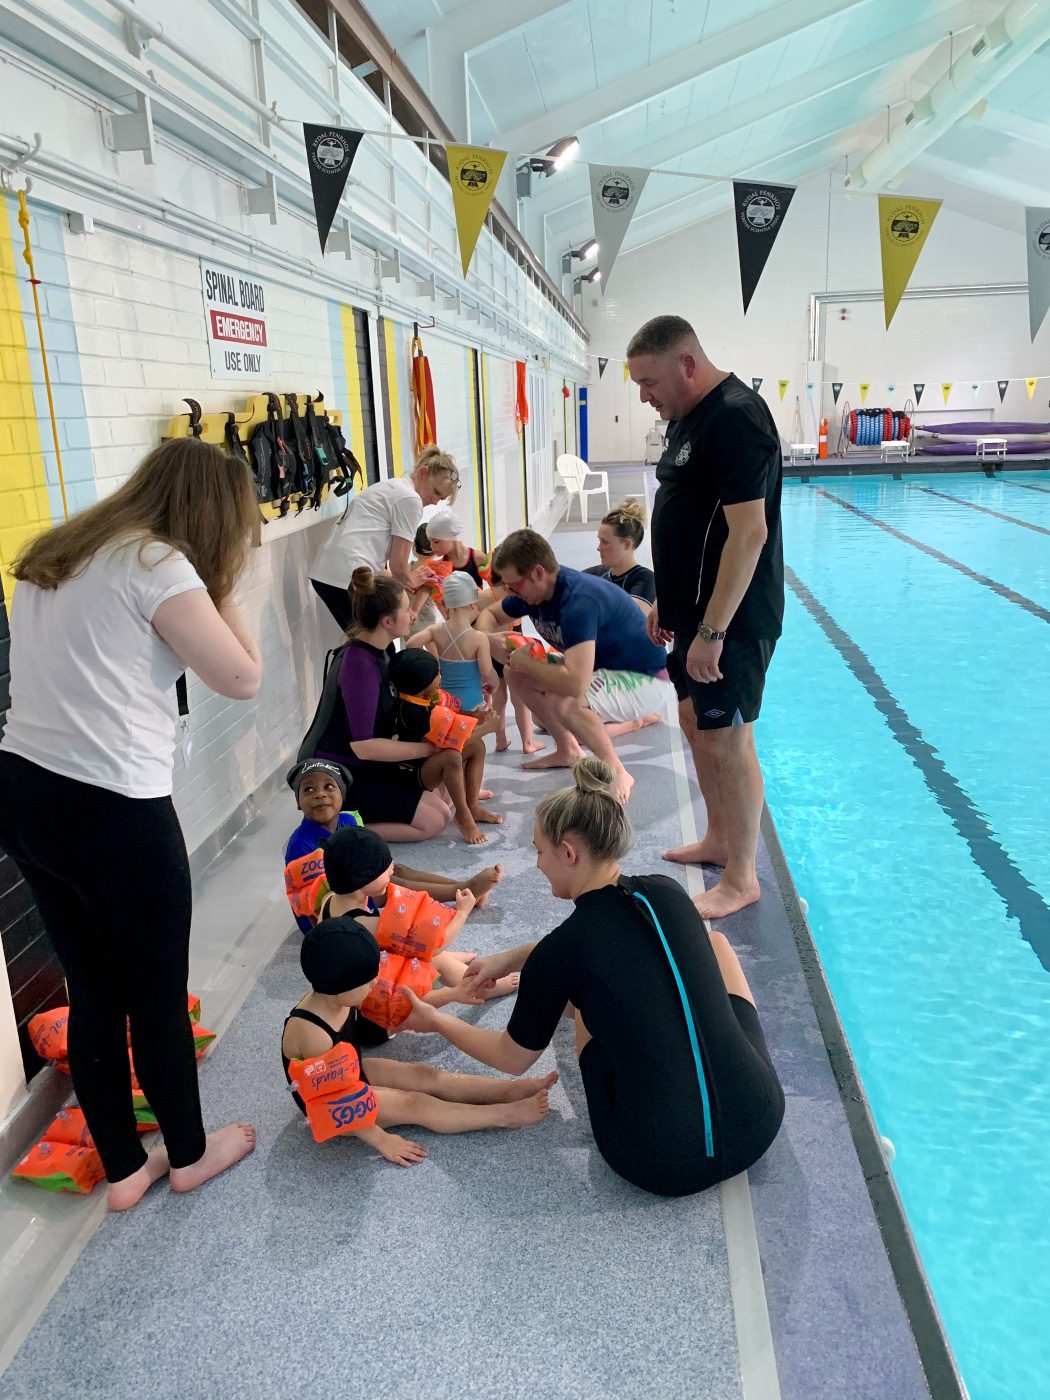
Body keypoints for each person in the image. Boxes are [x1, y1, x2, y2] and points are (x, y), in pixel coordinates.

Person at [0, 438, 262, 1212]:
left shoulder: (62, 553)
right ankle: (186, 1154)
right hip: (112, 806)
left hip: (23, 791)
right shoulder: (160, 565)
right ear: (213, 518)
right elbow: (242, 678)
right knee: (155, 994)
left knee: (93, 988)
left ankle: (122, 1170)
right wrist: (223, 587)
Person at [402, 759, 784, 1198]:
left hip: (659, 1163)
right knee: (712, 946)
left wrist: (436, 1019)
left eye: (539, 851)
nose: (539, 864)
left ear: (569, 852)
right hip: (758, 1121)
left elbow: (512, 1058)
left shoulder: (564, 950)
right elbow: (616, 946)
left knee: (588, 999)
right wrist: (514, 957)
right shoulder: (668, 891)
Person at [627, 315, 784, 919]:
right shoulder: (687, 417)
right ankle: (720, 836)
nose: (643, 395)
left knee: (729, 740)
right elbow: (693, 519)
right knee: (696, 725)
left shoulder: (737, 417)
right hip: (691, 612)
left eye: (649, 381)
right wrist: (669, 597)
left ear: (687, 364)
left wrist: (714, 631)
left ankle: (742, 875)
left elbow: (748, 534)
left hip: (733, 620)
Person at [281, 916, 555, 1166]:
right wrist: (382, 1140)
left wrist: (453, 994)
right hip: (334, 1104)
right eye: (367, 983)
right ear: (340, 987)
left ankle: (509, 1090)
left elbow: (403, 1006)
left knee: (426, 1075)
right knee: (417, 1104)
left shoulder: (339, 990)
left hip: (350, 1071)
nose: (373, 986)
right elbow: (339, 1102)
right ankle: (504, 1116)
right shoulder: (312, 1032)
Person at [299, 568, 498, 845]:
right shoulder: (359, 665)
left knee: (443, 798)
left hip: (365, 764)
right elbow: (363, 746)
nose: (413, 614)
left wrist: (463, 720)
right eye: (407, 608)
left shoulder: (382, 651)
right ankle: (335, 830)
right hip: (341, 773)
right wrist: (429, 749)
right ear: (388, 621)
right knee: (435, 820)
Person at [477, 530, 672, 804]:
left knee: (565, 701)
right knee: (514, 671)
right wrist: (489, 639)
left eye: (514, 586)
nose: (511, 594)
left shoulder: (578, 601)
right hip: (599, 670)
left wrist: (528, 662)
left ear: (537, 573)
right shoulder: (532, 593)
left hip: (644, 679)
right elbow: (489, 613)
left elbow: (574, 684)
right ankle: (568, 749)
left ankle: (617, 770)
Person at [284, 758, 502, 934]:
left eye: (329, 786)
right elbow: (314, 897)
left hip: (355, 893)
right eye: (308, 790)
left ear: (342, 794)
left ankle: (462, 887)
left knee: (395, 868)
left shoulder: (348, 821)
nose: (319, 794)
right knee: (388, 882)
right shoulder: (300, 844)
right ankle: (463, 892)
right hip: (328, 914)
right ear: (297, 802)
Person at [315, 825, 519, 1015]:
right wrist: (462, 912)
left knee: (414, 939)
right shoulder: (364, 925)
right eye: (384, 868)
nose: (392, 870)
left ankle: (451, 960)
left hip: (354, 977)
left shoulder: (331, 899)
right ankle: (482, 987)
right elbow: (435, 945)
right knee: (434, 956)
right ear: (362, 879)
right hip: (372, 1003)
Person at [308, 446, 460, 631]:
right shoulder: (410, 499)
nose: (436, 502)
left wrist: (408, 580)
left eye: (441, 498)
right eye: (436, 492)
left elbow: (383, 564)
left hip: (329, 571)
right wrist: (413, 580)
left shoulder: (393, 486)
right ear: (422, 473)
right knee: (376, 645)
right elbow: (398, 567)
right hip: (347, 575)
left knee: (368, 645)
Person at [410, 571, 498, 714]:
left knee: (449, 736)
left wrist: (432, 668)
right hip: (472, 703)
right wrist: (495, 684)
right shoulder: (479, 638)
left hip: (445, 703)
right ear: (472, 605)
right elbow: (487, 672)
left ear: (445, 604)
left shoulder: (435, 630)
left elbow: (411, 644)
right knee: (473, 736)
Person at [583, 500, 656, 614]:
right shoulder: (596, 574)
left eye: (605, 542)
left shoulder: (645, 579)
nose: (598, 548)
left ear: (627, 545)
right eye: (599, 540)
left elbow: (630, 620)